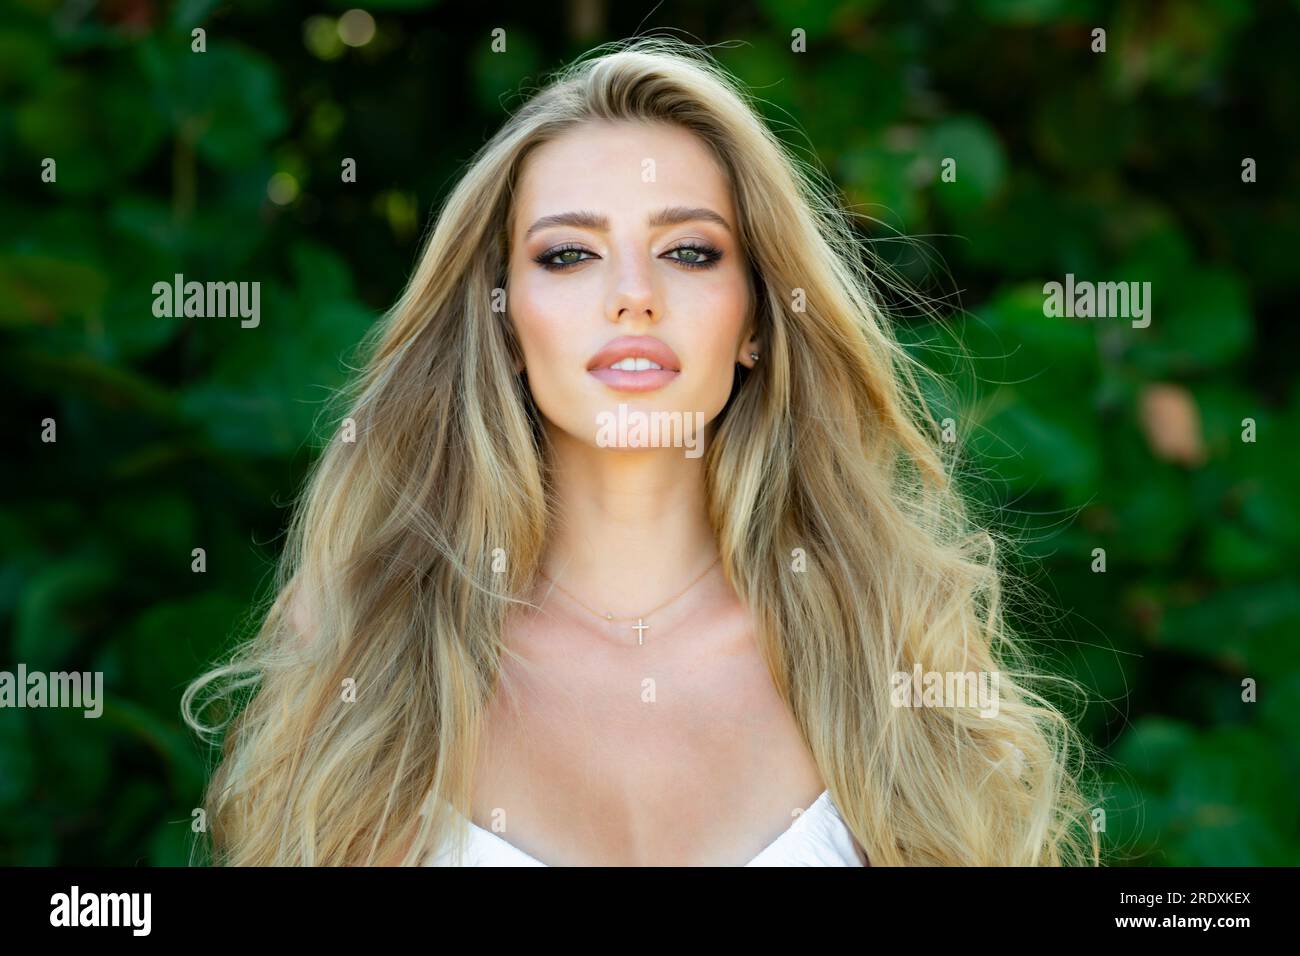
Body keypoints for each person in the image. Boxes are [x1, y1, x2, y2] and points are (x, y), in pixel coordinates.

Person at [183, 36, 1099, 867]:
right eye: (570, 255)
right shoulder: (368, 639)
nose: (633, 296)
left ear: (756, 322)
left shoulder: (880, 640)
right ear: (501, 320)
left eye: (690, 253)